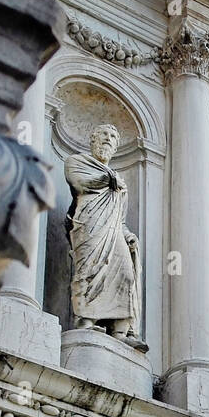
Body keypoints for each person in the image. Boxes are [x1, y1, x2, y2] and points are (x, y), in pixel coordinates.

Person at [64, 123, 141, 339]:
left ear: (116, 146)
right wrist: (107, 180)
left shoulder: (120, 182)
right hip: (88, 226)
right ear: (93, 140)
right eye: (104, 134)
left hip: (113, 232)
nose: (108, 139)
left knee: (126, 274)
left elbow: (121, 219)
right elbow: (79, 182)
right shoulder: (77, 162)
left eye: (113, 137)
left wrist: (128, 236)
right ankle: (86, 321)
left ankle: (120, 332)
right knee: (89, 271)